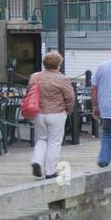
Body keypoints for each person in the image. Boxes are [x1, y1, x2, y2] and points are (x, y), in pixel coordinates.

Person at [28, 51, 76, 179]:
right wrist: (69, 110)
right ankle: (50, 171)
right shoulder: (62, 79)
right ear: (58, 65)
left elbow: (30, 93)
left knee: (42, 139)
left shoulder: (35, 77)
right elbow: (70, 97)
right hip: (57, 113)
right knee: (54, 142)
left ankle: (36, 161)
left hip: (39, 113)